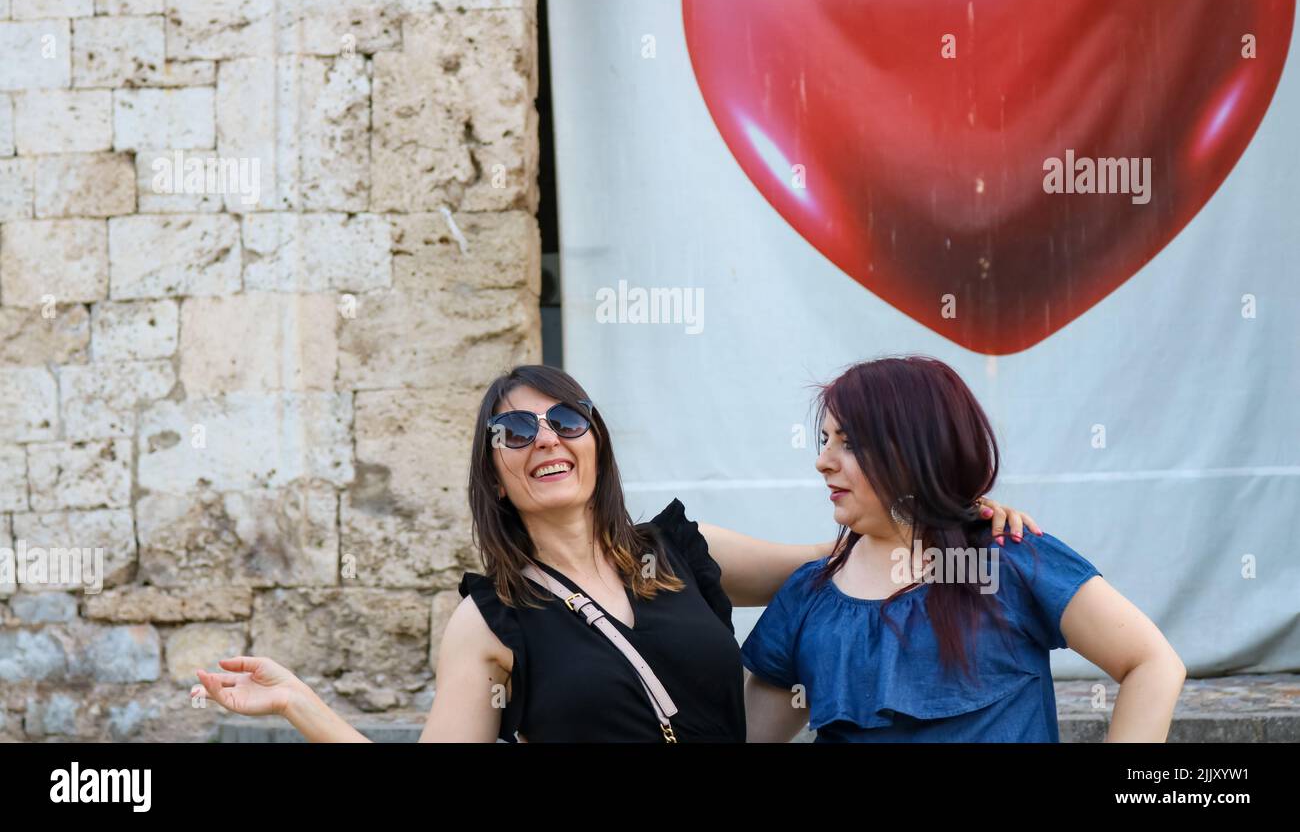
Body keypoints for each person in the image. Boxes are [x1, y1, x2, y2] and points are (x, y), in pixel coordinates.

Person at [194, 363, 1040, 742]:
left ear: (595, 441)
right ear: (493, 473)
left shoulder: (687, 550)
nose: (545, 439)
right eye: (514, 430)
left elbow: (852, 559)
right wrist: (301, 705)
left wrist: (957, 518)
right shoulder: (489, 621)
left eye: (567, 419)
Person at [742, 355, 1185, 742]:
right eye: (825, 441)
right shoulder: (809, 594)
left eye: (850, 442)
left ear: (918, 449)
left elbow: (1151, 663)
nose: (823, 461)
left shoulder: (1006, 558)